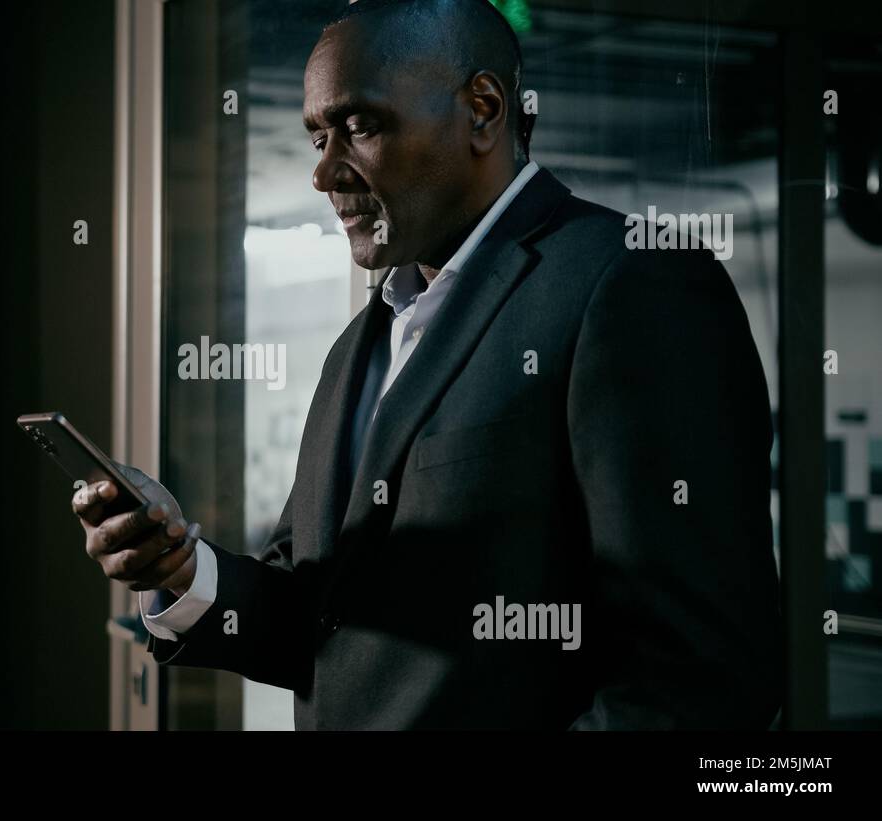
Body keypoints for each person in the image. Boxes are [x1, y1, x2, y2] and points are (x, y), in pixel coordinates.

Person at [72, 0, 783, 729]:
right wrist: (182, 569)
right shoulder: (361, 344)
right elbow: (315, 615)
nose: (323, 172)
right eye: (317, 135)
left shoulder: (633, 284)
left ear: (482, 109)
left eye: (359, 125)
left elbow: (701, 682)